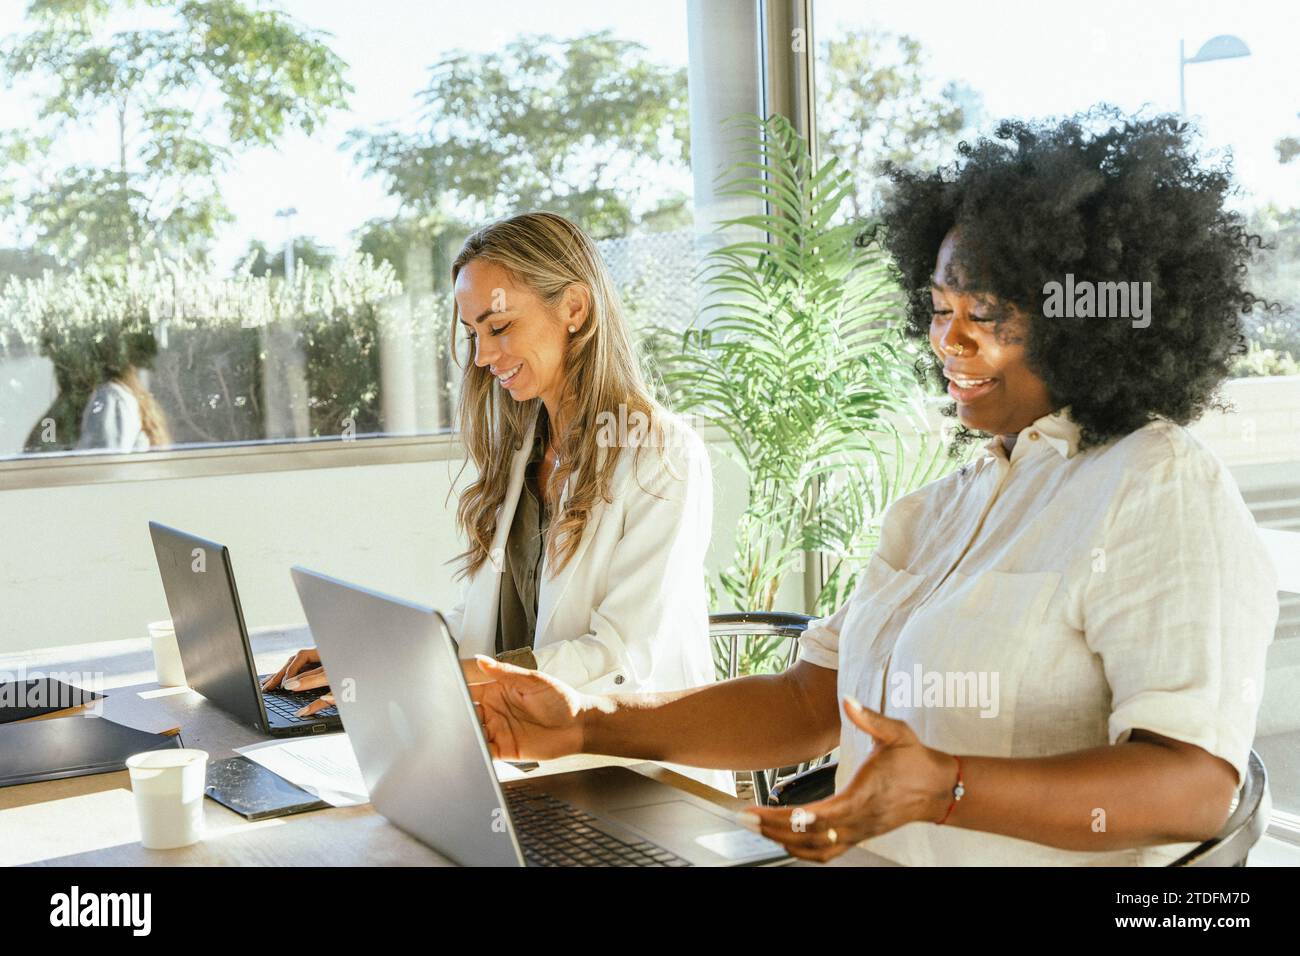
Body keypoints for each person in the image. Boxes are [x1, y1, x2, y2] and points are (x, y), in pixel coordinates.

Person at [467, 109, 1280, 865]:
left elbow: (1197, 787)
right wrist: (581, 723)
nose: (948, 339)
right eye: (937, 307)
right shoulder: (942, 507)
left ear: (1083, 317)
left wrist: (950, 787)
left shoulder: (1156, 482)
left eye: (985, 310)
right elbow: (805, 703)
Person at [263, 211, 731, 793]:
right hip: (523, 763)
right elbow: (489, 622)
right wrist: (367, 658)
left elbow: (619, 658)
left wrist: (426, 676)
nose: (483, 356)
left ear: (575, 310)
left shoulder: (661, 455)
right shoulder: (525, 450)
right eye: (473, 334)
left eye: (500, 325)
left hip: (633, 776)